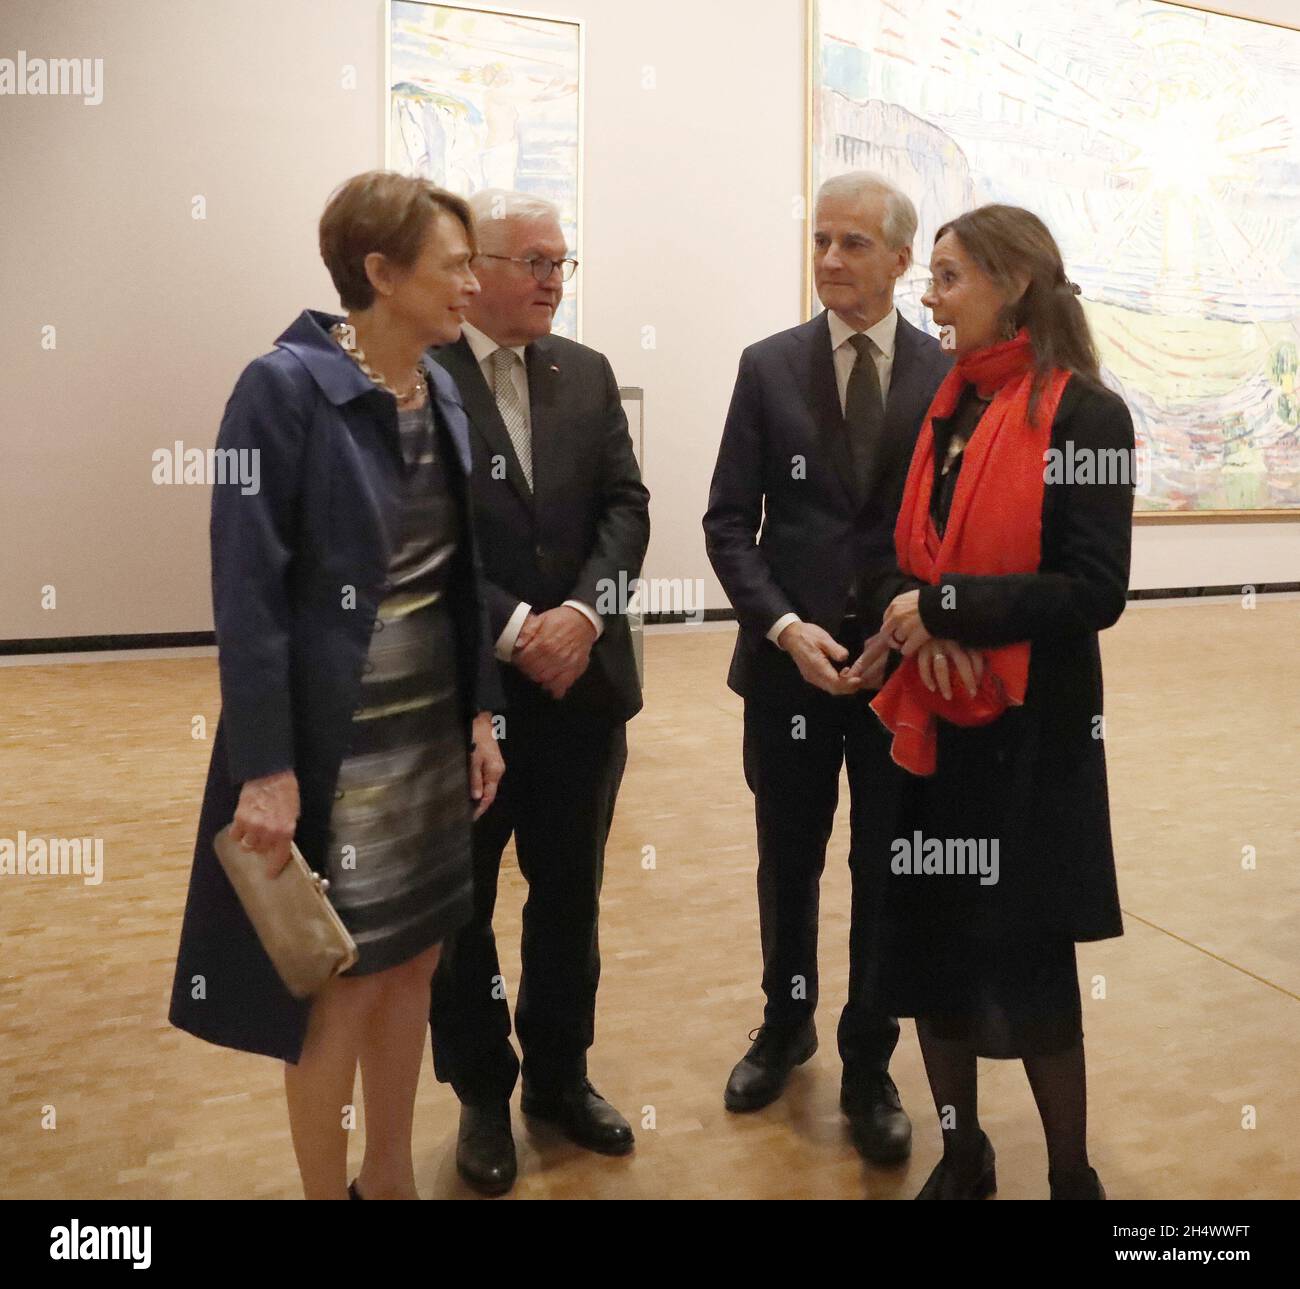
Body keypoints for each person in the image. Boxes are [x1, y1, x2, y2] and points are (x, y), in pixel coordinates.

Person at [169, 171, 505, 1200]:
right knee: (339, 983)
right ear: (380, 272)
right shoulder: (281, 387)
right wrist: (265, 767)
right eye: (453, 265)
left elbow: (464, 575)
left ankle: (390, 1179)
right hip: (335, 742)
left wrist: (482, 711)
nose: (471, 283)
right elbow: (248, 594)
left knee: (411, 963)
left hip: (423, 743)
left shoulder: (440, 386)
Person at [848, 203, 1135, 1200]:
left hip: (1028, 738)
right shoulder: (946, 403)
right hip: (932, 727)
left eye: (949, 275)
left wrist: (951, 609)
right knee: (928, 950)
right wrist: (922, 610)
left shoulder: (1089, 417)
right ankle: (962, 1153)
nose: (929, 295)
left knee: (1027, 957)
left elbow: (1094, 588)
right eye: (930, 274)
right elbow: (904, 544)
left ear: (1013, 283)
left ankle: (1070, 1174)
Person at [702, 172, 949, 1164]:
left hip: (902, 676)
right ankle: (785, 1022)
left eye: (853, 243)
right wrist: (783, 625)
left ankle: (868, 1058)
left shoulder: (947, 374)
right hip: (790, 673)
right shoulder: (768, 367)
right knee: (788, 859)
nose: (831, 260)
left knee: (887, 869)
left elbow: (955, 527)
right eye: (820, 240)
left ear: (900, 258)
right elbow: (728, 521)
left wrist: (909, 626)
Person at [427, 189, 650, 1194]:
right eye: (532, 260)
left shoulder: (586, 372)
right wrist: (518, 627)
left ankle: (560, 1077)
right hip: (471, 698)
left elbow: (624, 505)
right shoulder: (419, 381)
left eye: (562, 261)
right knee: (463, 910)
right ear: (472, 267)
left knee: (570, 898)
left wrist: (585, 614)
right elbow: (418, 545)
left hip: (584, 690)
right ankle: (482, 1089)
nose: (553, 278)